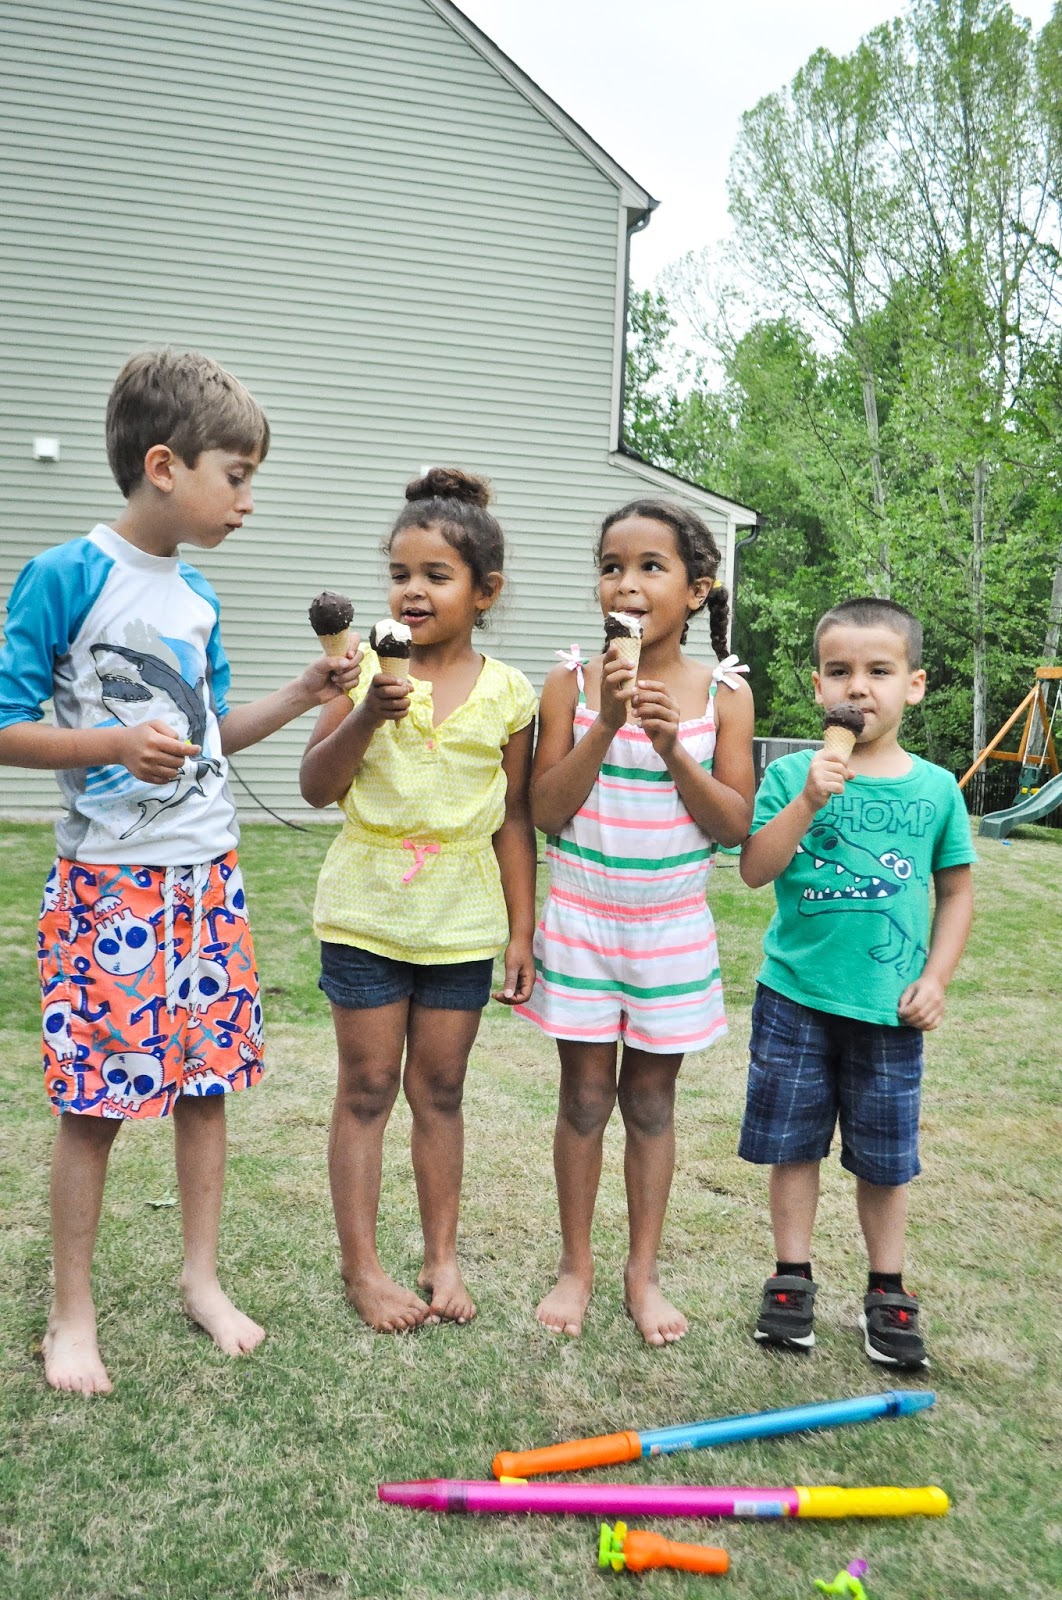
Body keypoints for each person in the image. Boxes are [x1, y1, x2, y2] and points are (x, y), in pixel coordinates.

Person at [0, 349, 361, 1395]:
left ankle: (201, 1280)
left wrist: (302, 691)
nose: (248, 498)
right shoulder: (68, 577)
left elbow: (207, 737)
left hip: (207, 881)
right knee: (95, 1101)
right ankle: (73, 1312)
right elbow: (8, 727)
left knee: (208, 1090)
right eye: (236, 475)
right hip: (110, 886)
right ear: (165, 464)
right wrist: (112, 749)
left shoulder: (197, 597)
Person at [300, 467, 537, 1334]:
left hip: (462, 915)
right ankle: (361, 1268)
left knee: (440, 1090)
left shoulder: (511, 694)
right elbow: (315, 788)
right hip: (367, 906)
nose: (413, 590)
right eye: (401, 574)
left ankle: (442, 1257)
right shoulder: (357, 668)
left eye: (437, 576)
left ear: (485, 592)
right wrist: (366, 716)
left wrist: (521, 928)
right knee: (366, 1087)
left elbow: (514, 816)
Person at [514, 499, 755, 1345]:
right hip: (582, 918)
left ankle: (641, 1272)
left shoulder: (723, 693)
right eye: (613, 565)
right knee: (582, 1098)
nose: (627, 581)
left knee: (650, 1105)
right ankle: (575, 1266)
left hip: (669, 928)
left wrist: (672, 748)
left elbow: (732, 825)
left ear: (696, 591)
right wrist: (608, 723)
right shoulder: (571, 682)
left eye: (652, 566)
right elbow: (546, 809)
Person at [739, 597, 975, 1368]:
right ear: (817, 687)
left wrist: (937, 977)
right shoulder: (786, 775)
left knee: (883, 1158)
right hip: (796, 996)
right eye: (840, 672)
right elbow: (754, 870)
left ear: (915, 685)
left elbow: (956, 892)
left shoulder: (936, 789)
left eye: (880, 671)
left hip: (890, 1010)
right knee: (793, 1146)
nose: (859, 687)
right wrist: (809, 797)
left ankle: (887, 1289)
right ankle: (792, 1278)